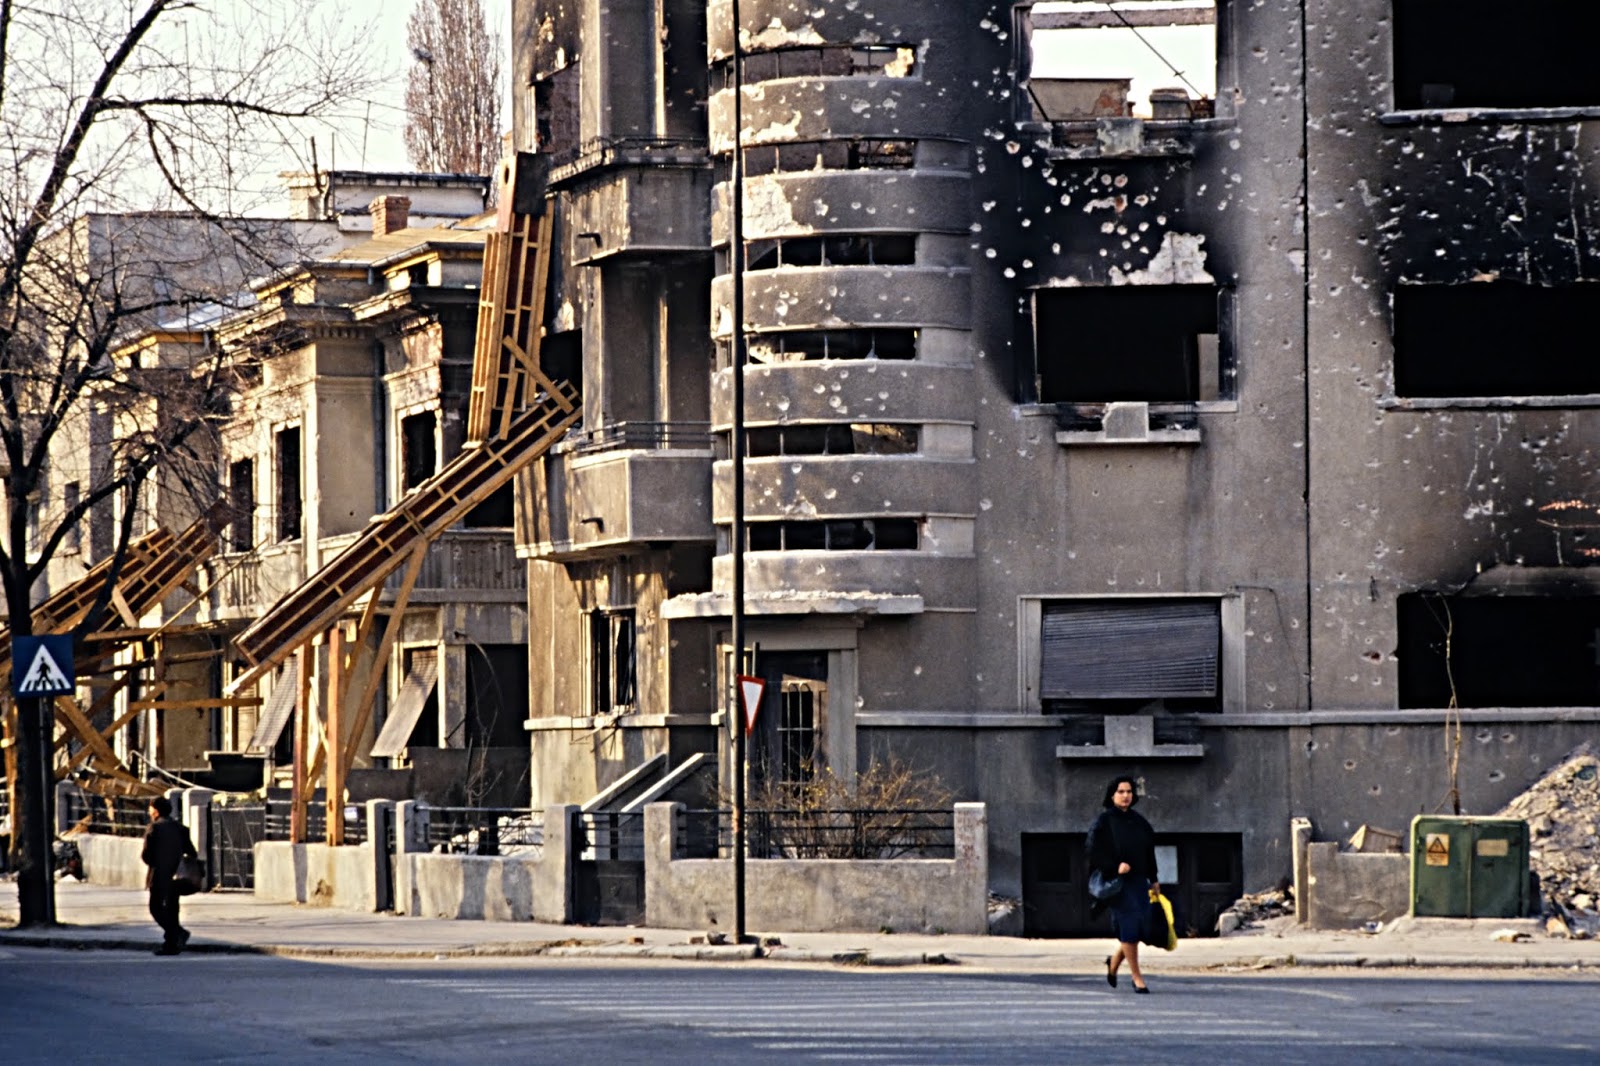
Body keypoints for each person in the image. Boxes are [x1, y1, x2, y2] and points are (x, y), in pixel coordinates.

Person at [1086, 775, 1159, 993]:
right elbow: (1093, 850)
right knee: (1129, 925)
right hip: (1117, 884)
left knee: (1138, 926)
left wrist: (1154, 879)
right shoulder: (1104, 821)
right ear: (1112, 795)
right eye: (1121, 792)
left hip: (1138, 881)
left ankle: (1114, 963)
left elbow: (1149, 851)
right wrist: (1114, 866)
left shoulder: (1139, 822)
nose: (1126, 796)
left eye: (1129, 792)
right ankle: (1137, 978)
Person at [141, 796, 197, 956]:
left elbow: (146, 855)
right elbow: (192, 852)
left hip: (159, 875)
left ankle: (177, 933)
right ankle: (171, 944)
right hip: (177, 876)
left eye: (150, 808)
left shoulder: (154, 828)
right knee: (172, 909)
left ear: (156, 810)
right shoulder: (180, 828)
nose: (149, 811)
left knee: (156, 909)